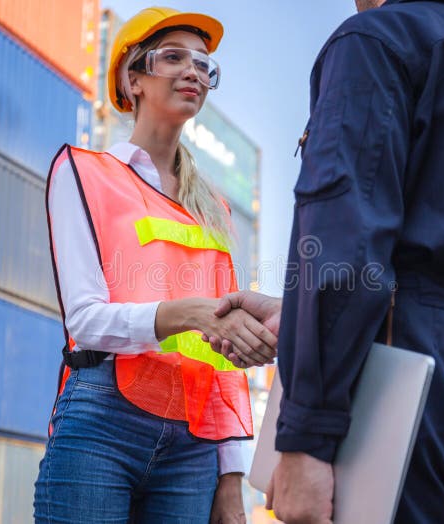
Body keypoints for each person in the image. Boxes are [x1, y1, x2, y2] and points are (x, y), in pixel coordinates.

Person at [208, 0, 444, 522]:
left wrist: (307, 435)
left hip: (416, 388)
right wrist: (299, 319)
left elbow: (342, 247)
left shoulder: (373, 40)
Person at [33, 7, 276, 523]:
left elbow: (225, 362)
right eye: (173, 57)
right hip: (102, 423)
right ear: (133, 78)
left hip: (193, 445)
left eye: (203, 64)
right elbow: (85, 321)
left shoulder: (215, 207)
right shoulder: (83, 172)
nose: (194, 71)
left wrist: (231, 480)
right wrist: (188, 313)